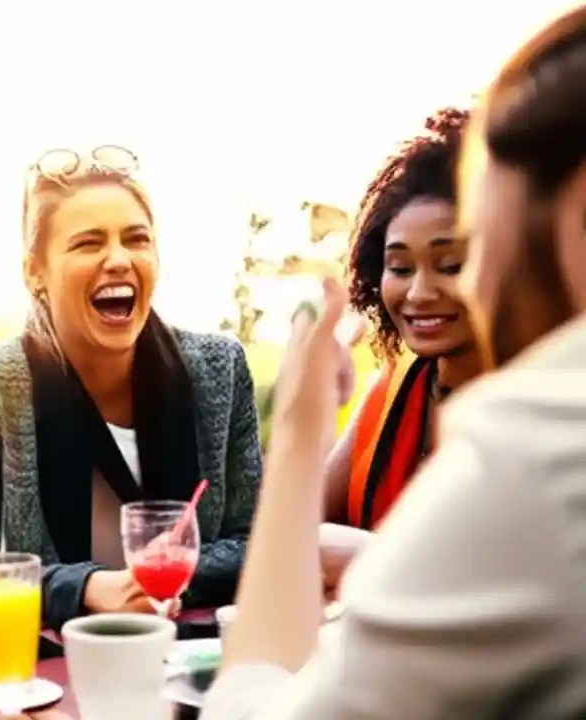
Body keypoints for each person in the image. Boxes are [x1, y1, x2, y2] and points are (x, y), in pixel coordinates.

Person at [205, 7, 586, 716]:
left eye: (465, 253)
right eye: (399, 266)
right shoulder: (400, 395)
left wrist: (297, 434)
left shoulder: (538, 450)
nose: (434, 289)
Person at [0, 146, 262, 629]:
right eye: (88, 243)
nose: (119, 259)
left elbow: (259, 542)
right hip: (54, 671)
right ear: (34, 272)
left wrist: (161, 577)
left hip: (192, 658)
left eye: (136, 239)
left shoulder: (221, 372)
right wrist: (85, 589)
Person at [319, 107, 483, 592]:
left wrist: (373, 558)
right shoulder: (395, 387)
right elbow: (289, 528)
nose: (417, 293)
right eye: (400, 267)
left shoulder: (545, 404)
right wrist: (311, 407)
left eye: (450, 265)